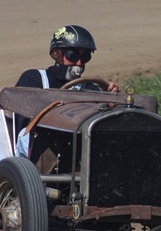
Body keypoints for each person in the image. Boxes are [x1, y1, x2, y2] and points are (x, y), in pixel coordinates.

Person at [13, 25, 119, 156]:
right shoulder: (34, 79)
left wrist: (111, 97)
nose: (79, 63)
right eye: (73, 56)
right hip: (37, 156)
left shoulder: (88, 87)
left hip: (76, 153)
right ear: (56, 53)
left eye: (85, 57)